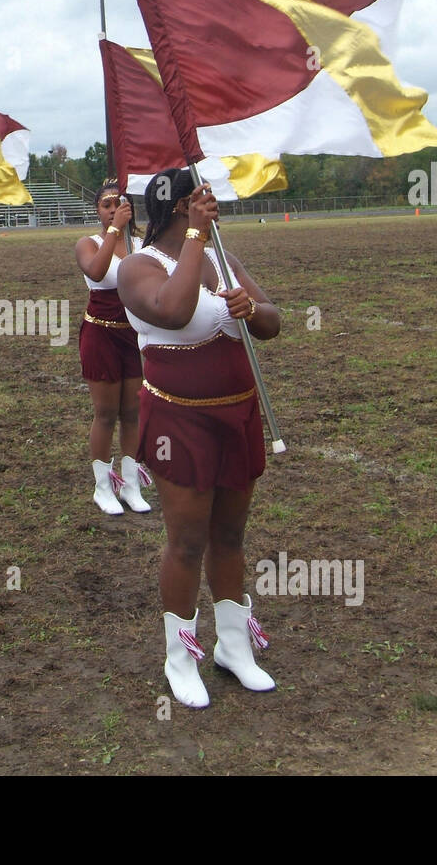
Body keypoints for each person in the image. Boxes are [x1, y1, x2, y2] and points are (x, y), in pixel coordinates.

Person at [117, 168, 282, 709]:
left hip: (237, 416)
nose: (213, 204)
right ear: (181, 207)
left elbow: (274, 322)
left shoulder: (222, 256)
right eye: (200, 198)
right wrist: (195, 237)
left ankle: (234, 647)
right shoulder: (138, 267)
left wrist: (249, 309)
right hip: (178, 422)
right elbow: (173, 308)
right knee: (187, 541)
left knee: (230, 536)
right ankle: (180, 656)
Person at [74, 179, 150, 515]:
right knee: (106, 414)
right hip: (101, 334)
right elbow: (97, 269)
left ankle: (131, 484)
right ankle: (103, 487)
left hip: (134, 336)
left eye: (118, 204)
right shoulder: (88, 243)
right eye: (106, 205)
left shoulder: (142, 243)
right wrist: (115, 231)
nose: (112, 210)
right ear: (98, 211)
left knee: (133, 413)